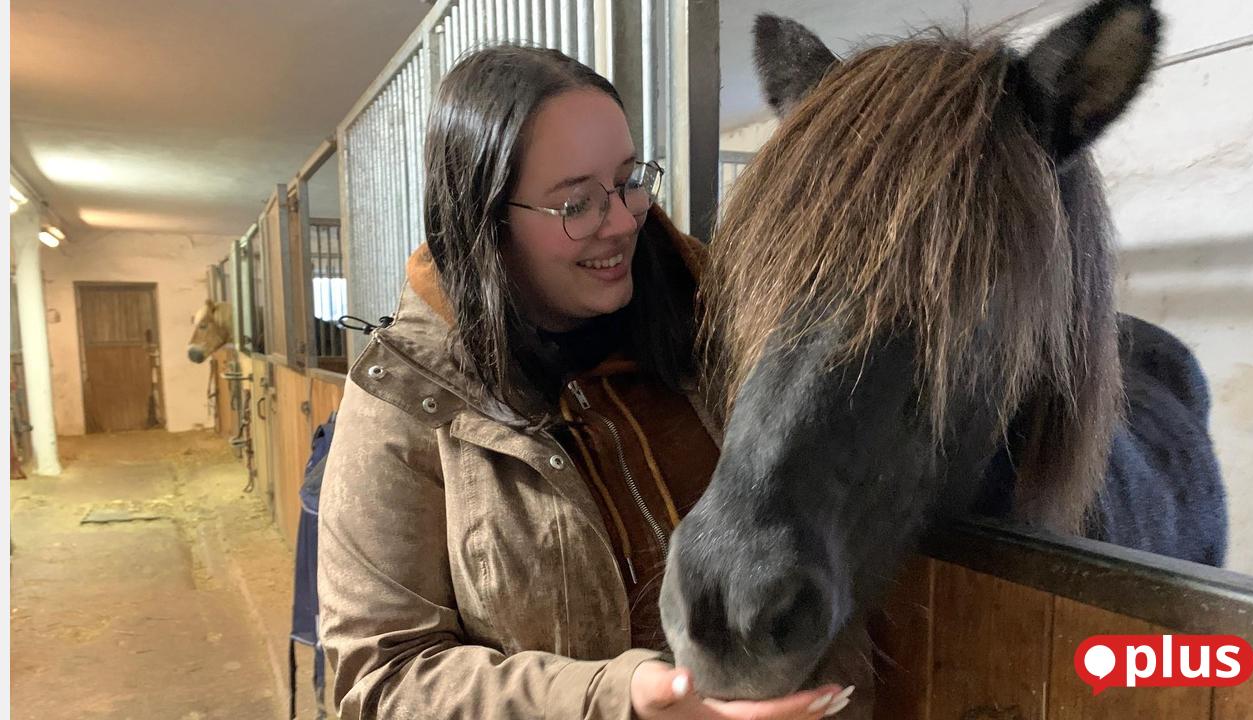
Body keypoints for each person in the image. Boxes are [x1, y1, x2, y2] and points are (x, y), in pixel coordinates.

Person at [318, 45, 862, 719]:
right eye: (576, 203)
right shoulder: (405, 394)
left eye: (631, 179)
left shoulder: (728, 318)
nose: (623, 220)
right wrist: (614, 702)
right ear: (489, 221)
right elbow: (379, 679)